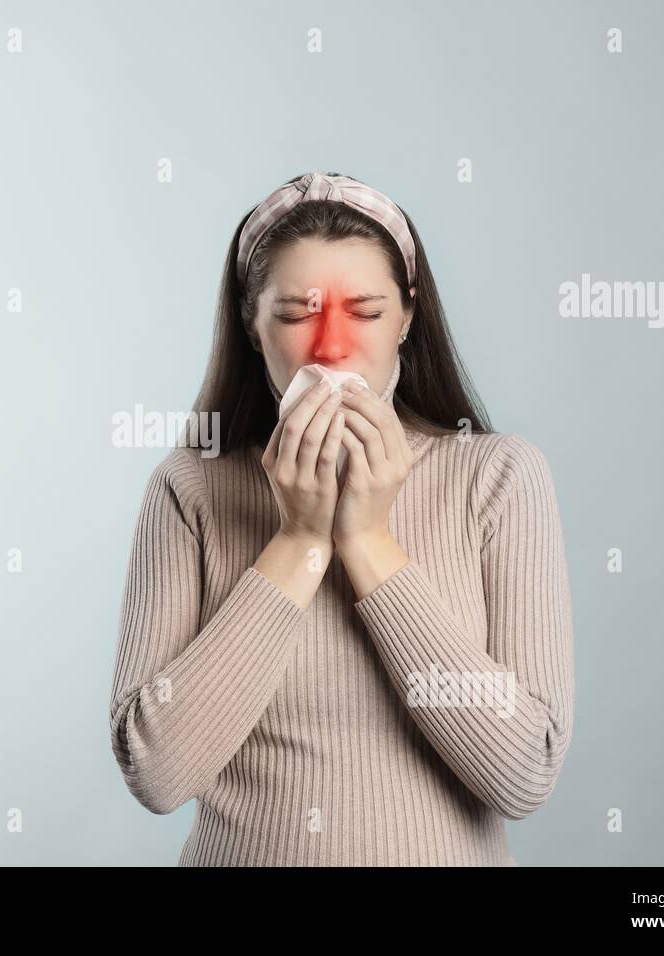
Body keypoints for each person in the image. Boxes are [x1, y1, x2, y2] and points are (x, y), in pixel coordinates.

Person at [108, 170, 575, 866]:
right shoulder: (190, 489)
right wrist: (299, 539)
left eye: (365, 311)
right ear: (251, 322)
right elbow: (159, 773)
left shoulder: (500, 476)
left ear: (408, 317)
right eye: (297, 314)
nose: (331, 346)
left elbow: (522, 774)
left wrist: (365, 540)